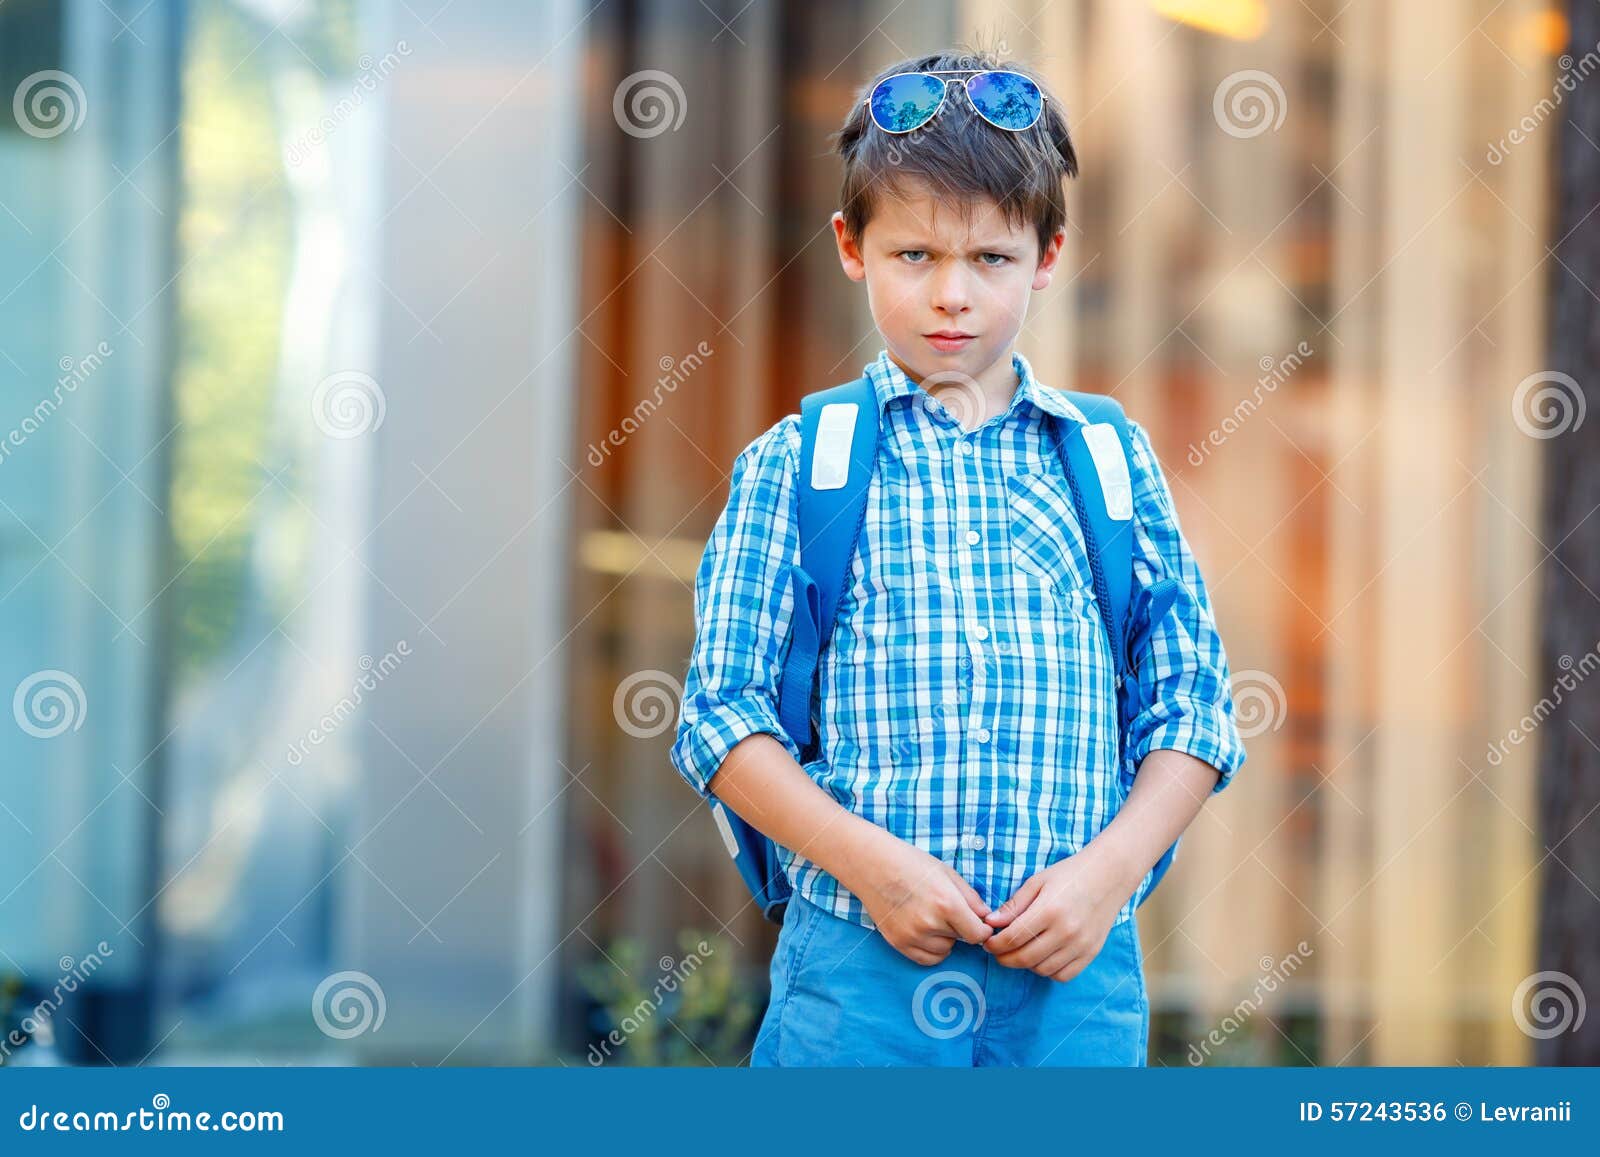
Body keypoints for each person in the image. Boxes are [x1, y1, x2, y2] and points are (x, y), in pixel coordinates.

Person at [670, 46, 1247, 1067]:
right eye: (914, 257)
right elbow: (720, 715)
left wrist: (1110, 872)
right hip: (857, 983)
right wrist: (873, 867)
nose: (952, 295)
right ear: (851, 247)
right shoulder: (799, 463)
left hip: (1073, 982)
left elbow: (1195, 702)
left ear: (1049, 254)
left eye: (990, 260)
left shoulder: (1107, 462)